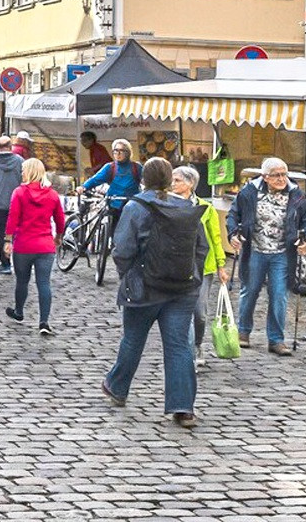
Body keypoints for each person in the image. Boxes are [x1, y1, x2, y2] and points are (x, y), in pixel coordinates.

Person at [101, 158, 207, 428]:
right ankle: (183, 408)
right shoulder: (186, 206)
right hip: (182, 288)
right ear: (170, 179)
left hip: (145, 287)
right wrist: (191, 274)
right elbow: (201, 247)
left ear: (142, 180)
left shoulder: (136, 206)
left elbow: (123, 249)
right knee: (179, 346)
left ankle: (117, 387)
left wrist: (129, 275)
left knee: (133, 340)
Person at [227, 157, 306, 356]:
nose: (282, 178)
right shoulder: (249, 192)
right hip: (255, 250)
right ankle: (243, 332)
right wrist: (233, 234)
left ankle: (276, 340)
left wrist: (305, 239)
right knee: (249, 291)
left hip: (282, 253)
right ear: (265, 177)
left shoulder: (296, 195)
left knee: (279, 296)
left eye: (284, 174)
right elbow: (233, 215)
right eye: (276, 175)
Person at [170, 165, 228, 366]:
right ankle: (186, 351)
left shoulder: (206, 207)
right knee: (181, 312)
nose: (173, 183)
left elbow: (216, 237)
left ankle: (197, 345)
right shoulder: (168, 205)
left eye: (177, 180)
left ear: (190, 184)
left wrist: (221, 265)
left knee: (200, 312)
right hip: (178, 266)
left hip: (204, 266)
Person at [4, 159, 66, 335]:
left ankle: (19, 312)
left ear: (29, 172)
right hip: (45, 246)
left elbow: (13, 217)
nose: (21, 173)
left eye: (23, 170)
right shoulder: (52, 195)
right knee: (44, 283)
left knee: (22, 281)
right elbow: (60, 220)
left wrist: (8, 240)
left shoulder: (19, 193)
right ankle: (44, 321)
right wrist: (58, 237)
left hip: (24, 245)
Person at [79, 138, 142, 234]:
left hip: (132, 205)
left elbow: (147, 180)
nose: (118, 153)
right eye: (116, 150)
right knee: (114, 232)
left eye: (122, 150)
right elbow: (96, 179)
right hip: (114, 205)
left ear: (128, 152)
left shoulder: (136, 167)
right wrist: (84, 186)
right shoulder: (110, 167)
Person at [0, 136, 23, 276]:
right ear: (10, 146)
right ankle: (19, 263)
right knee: (18, 234)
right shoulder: (20, 162)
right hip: (17, 204)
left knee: (2, 234)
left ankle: (5, 264)